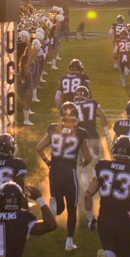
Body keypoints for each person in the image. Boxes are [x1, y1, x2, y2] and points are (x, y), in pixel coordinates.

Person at [35, 104, 89, 247]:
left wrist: (47, 161)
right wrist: (83, 163)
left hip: (55, 171)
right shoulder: (81, 132)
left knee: (60, 208)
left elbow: (39, 148)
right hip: (69, 172)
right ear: (76, 117)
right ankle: (69, 242)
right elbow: (88, 157)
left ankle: (53, 207)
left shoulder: (53, 128)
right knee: (72, 208)